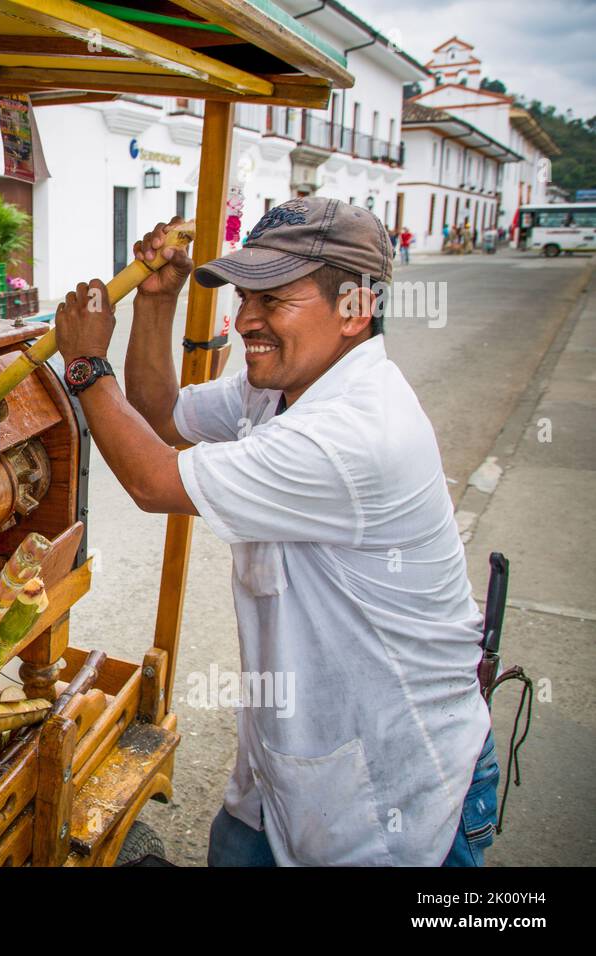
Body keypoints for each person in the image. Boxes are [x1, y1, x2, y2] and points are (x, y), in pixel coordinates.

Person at [52, 197, 498, 866]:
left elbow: (153, 482)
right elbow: (163, 416)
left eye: (274, 298)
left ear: (355, 309)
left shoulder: (354, 431)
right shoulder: (286, 387)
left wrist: (86, 364)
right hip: (285, 774)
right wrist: (154, 304)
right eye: (245, 295)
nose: (247, 319)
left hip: (385, 800)